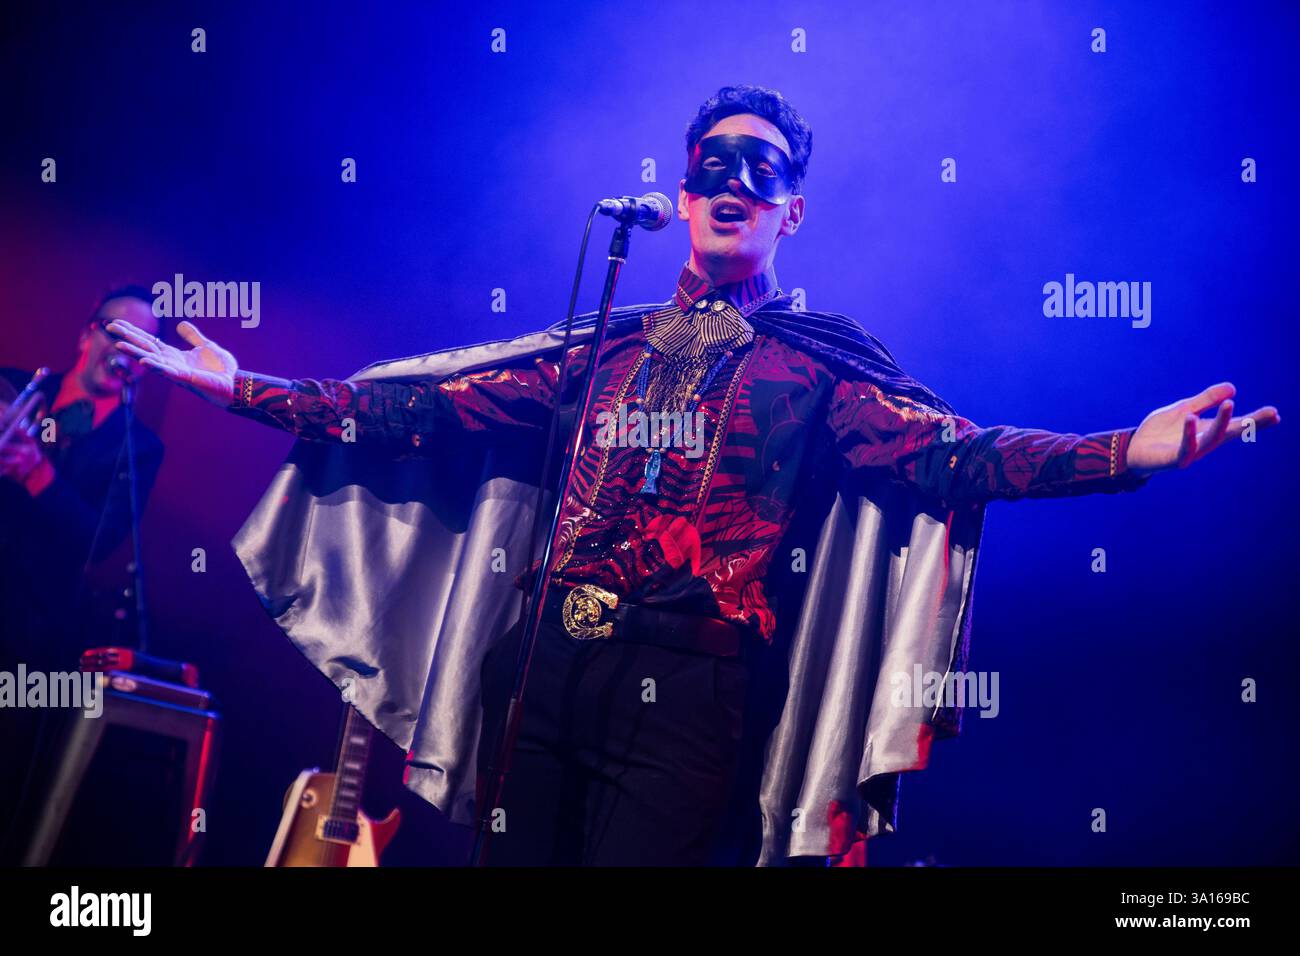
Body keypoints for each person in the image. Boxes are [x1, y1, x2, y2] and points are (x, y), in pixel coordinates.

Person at [107, 86, 1279, 866]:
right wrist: (242, 385)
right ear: (676, 198)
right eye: (711, 164)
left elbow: (953, 451)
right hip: (546, 664)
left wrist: (1126, 452)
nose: (732, 182)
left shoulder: (818, 367)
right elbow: (414, 408)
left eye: (760, 170)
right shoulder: (595, 342)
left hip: (691, 683)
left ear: (790, 211)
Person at [0, 284, 166, 861]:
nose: (128, 353)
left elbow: (96, 542)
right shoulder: (17, 386)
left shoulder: (137, 447)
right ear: (87, 333)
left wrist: (35, 473)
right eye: (122, 334)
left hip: (27, 638)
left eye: (144, 348)